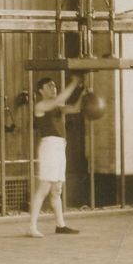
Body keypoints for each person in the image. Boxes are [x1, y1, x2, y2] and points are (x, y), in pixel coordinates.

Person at [28, 76, 82, 237]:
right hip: (49, 147)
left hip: (60, 147)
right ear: (41, 90)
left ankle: (60, 225)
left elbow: (76, 109)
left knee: (56, 189)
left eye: (54, 85)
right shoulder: (41, 105)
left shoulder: (57, 106)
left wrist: (83, 93)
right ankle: (32, 227)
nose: (53, 88)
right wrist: (74, 83)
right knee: (44, 187)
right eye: (49, 86)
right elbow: (60, 98)